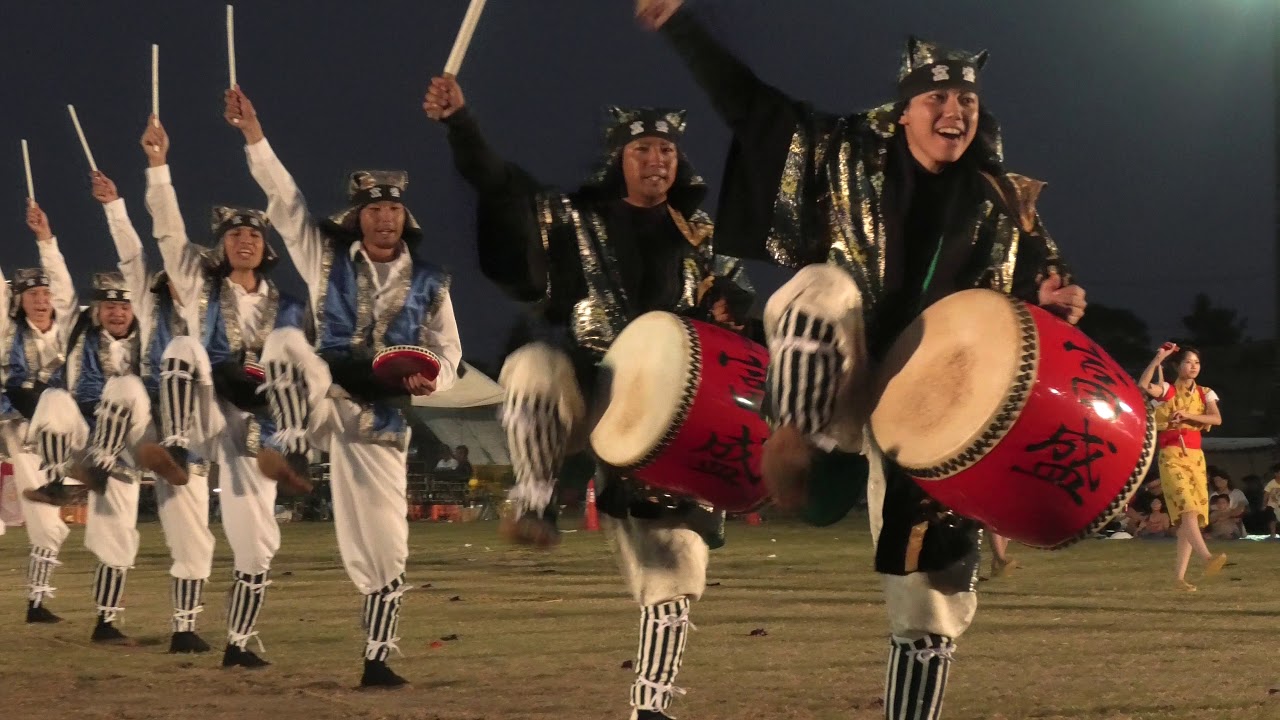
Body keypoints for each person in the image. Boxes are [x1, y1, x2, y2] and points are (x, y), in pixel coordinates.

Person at [638, 2, 1088, 717]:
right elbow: (750, 105)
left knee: (929, 602)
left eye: (967, 100)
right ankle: (802, 435)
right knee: (818, 288)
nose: (954, 111)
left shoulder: (1005, 198)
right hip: (843, 372)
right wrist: (681, 26)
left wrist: (1058, 296)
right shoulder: (843, 151)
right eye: (936, 98)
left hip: (932, 404)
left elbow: (1043, 283)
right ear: (904, 111)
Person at [425, 72, 754, 719]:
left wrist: (731, 313)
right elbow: (500, 183)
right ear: (618, 157)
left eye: (666, 148)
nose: (656, 159)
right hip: (591, 391)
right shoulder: (576, 219)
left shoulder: (703, 236)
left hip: (670, 416)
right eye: (642, 148)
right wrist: (461, 123)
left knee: (675, 575)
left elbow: (738, 322)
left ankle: (650, 706)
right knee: (529, 369)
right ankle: (537, 499)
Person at [226, 86, 462, 688]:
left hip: (380, 416)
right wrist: (254, 135)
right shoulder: (324, 258)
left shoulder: (431, 281)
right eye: (372, 209)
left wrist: (429, 378)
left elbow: (450, 356)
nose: (384, 217)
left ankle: (378, 659)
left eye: (392, 210)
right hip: (319, 398)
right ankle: (289, 445)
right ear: (356, 217)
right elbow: (284, 201)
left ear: (404, 218)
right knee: (286, 342)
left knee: (385, 546)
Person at [134, 116, 312, 666]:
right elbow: (168, 234)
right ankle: (176, 449)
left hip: (255, 424)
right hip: (205, 406)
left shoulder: (291, 307)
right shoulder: (198, 287)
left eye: (254, 235)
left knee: (257, 540)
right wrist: (158, 166)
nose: (245, 241)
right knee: (183, 350)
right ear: (221, 245)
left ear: (266, 247)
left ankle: (238, 642)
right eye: (234, 234)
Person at [88, 165, 220, 654]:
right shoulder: (150, 303)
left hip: (195, 436)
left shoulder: (219, 311)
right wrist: (113, 206)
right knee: (125, 385)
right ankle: (101, 463)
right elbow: (132, 254)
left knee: (191, 536)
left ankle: (184, 629)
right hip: (149, 425)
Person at [2, 202, 79, 624]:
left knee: (55, 522)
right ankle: (36, 601)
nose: (41, 300)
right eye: (32, 294)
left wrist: (45, 238)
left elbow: (64, 283)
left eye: (45, 294)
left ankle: (37, 601)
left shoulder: (68, 331)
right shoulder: (7, 331)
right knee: (48, 522)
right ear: (19, 299)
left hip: (65, 431)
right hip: (23, 429)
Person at [1138, 343, 1228, 590]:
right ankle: (1207, 558)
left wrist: (1188, 416)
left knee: (1191, 518)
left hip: (1196, 458)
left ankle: (1179, 578)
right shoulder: (1168, 390)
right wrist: (1158, 359)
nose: (1193, 366)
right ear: (1178, 366)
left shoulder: (1205, 393)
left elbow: (1216, 418)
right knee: (1188, 508)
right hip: (1171, 455)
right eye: (1188, 362)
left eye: (1197, 362)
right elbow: (1143, 385)